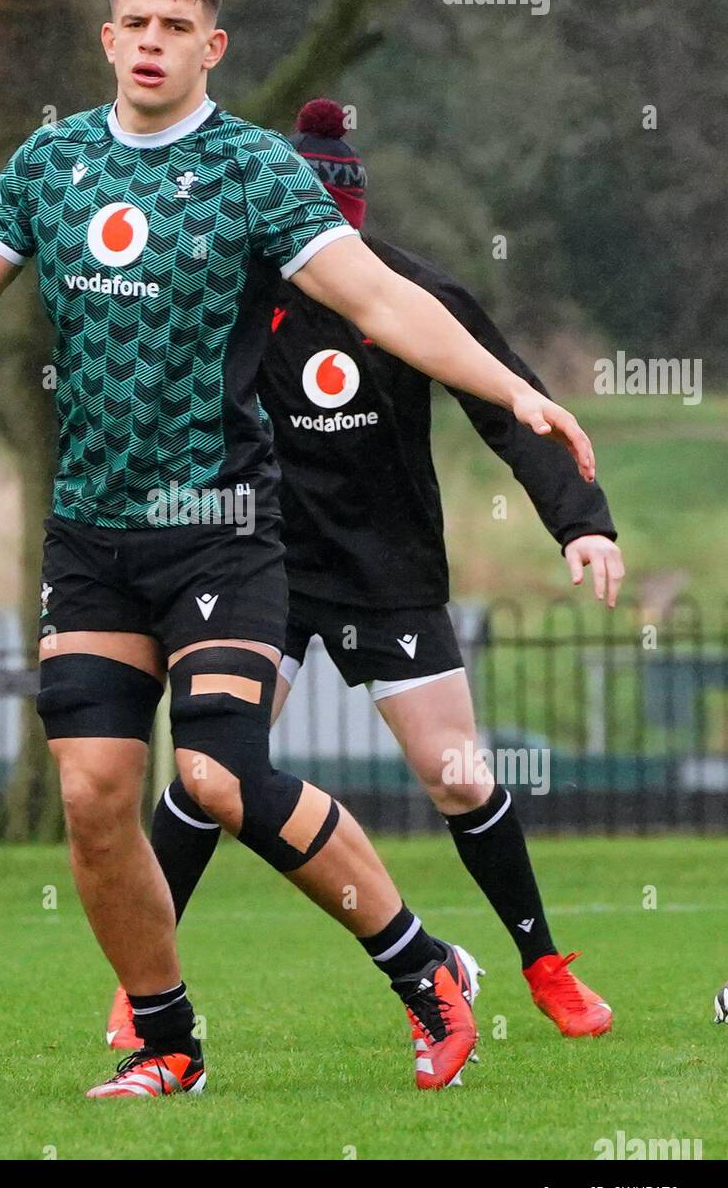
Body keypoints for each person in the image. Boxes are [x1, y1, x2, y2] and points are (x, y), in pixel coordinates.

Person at [0, 0, 597, 1097]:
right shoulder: (52, 161)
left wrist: (514, 389)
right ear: (108, 40)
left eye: (176, 22)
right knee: (93, 797)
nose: (152, 37)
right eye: (133, 21)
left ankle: (424, 970)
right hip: (90, 535)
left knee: (217, 773)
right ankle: (169, 1042)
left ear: (212, 47)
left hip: (221, 526)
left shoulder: (255, 170)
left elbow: (380, 299)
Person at [107, 99, 620, 1054]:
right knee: (212, 766)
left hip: (388, 572)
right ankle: (146, 984)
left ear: (358, 217)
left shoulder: (415, 298)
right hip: (262, 567)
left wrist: (580, 524)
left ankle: (543, 963)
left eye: (342, 222)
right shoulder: (233, 300)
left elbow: (509, 406)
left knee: (456, 775)